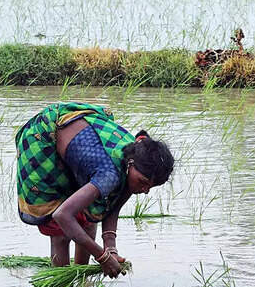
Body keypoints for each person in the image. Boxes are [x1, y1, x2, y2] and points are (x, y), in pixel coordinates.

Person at [15, 102, 174, 276]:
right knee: (60, 233)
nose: (145, 190)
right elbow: (62, 215)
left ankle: (83, 283)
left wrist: (110, 248)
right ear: (130, 163)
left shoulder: (135, 161)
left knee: (89, 220)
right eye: (143, 182)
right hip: (45, 137)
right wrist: (102, 257)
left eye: (151, 187)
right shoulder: (110, 174)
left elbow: (112, 208)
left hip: (82, 145)